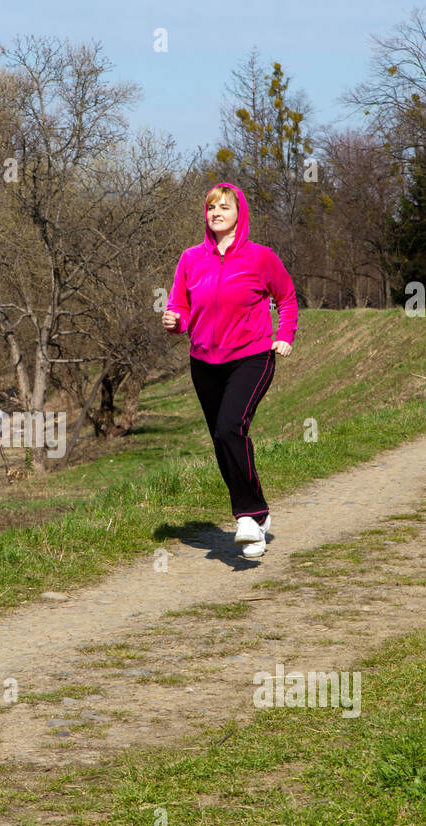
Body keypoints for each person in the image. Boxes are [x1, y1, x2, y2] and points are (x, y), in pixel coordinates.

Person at [162, 182, 298, 558]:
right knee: (222, 440)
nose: (217, 213)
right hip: (204, 361)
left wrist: (284, 334)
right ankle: (257, 512)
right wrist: (175, 321)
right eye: (211, 208)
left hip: (252, 356)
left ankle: (248, 517)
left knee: (230, 427)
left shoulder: (261, 258)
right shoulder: (190, 259)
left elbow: (286, 298)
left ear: (240, 213)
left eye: (224, 207)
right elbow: (182, 307)